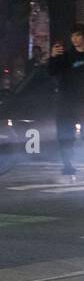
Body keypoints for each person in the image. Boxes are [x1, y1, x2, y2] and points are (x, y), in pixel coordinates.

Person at [48, 26, 84, 184]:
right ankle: (67, 168)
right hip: (67, 101)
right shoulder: (67, 55)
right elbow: (52, 72)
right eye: (73, 36)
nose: (75, 39)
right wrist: (53, 57)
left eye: (78, 35)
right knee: (64, 135)